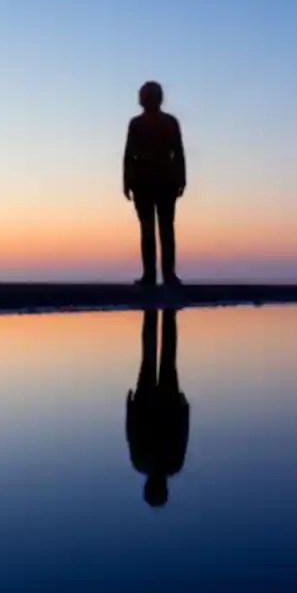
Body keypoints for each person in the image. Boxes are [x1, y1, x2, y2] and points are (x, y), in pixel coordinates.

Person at [123, 81, 187, 286]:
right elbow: (129, 155)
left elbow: (178, 152)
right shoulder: (137, 124)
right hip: (145, 183)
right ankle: (152, 275)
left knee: (163, 229)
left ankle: (166, 275)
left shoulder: (168, 122)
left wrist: (181, 178)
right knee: (151, 230)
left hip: (163, 181)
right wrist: (127, 181)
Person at [126, 309, 190, 507]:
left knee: (160, 358)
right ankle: (158, 313)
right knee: (157, 358)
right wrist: (184, 409)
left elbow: (132, 432)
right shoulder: (154, 464)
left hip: (154, 403)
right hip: (163, 403)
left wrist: (130, 407)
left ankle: (158, 313)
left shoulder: (163, 464)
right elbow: (182, 434)